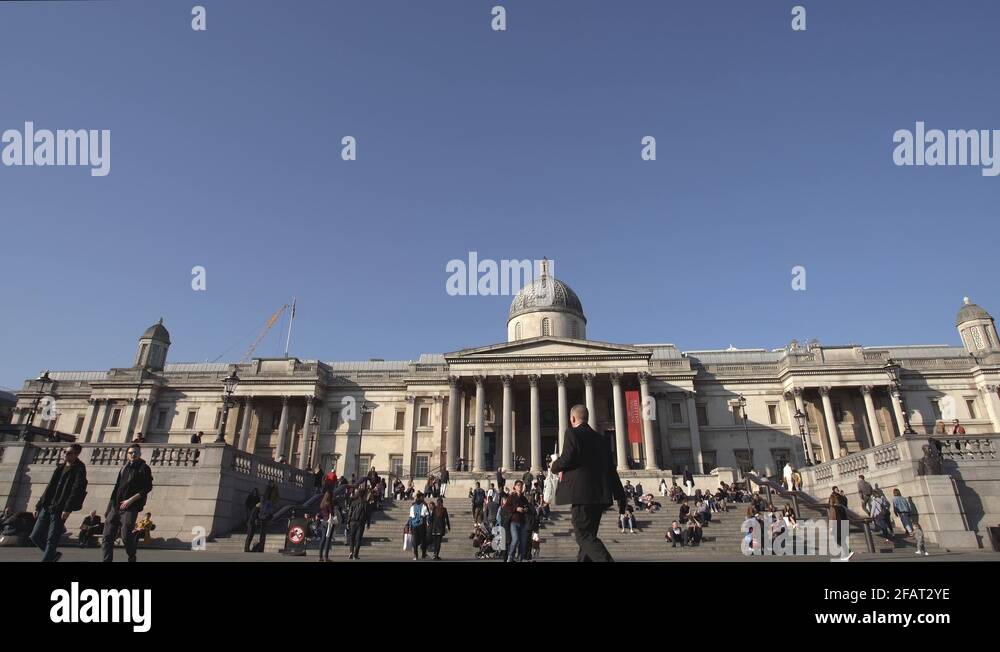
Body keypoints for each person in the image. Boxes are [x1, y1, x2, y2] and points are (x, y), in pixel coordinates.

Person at [549, 404, 627, 562]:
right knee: (588, 539)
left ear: (572, 418)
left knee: (583, 536)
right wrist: (620, 495)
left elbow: (567, 459)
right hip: (599, 497)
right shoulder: (602, 439)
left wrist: (554, 466)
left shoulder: (572, 433)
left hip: (581, 496)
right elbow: (611, 470)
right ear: (587, 418)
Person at [32, 443, 87, 562]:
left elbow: (76, 490)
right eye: (64, 452)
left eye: (69, 453)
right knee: (35, 536)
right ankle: (53, 555)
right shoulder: (60, 467)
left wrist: (68, 508)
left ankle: (47, 558)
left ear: (76, 454)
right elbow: (49, 487)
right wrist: (38, 505)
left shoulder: (79, 469)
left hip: (60, 508)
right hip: (47, 506)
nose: (65, 454)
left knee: (52, 538)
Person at [102, 444, 154, 563]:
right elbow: (116, 488)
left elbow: (147, 488)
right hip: (115, 506)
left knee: (126, 535)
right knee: (107, 537)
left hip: (131, 507)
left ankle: (131, 555)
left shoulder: (144, 468)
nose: (133, 455)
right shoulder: (124, 468)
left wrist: (130, 500)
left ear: (140, 454)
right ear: (127, 454)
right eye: (130, 453)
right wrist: (109, 507)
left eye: (135, 452)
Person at [502, 480, 530, 562]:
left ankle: (520, 558)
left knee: (522, 542)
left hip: (522, 522)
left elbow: (527, 507)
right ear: (515, 487)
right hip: (513, 522)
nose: (520, 487)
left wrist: (525, 509)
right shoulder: (511, 497)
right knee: (516, 539)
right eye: (518, 485)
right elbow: (505, 508)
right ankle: (510, 557)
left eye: (521, 485)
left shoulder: (524, 498)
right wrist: (516, 509)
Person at [346, 488, 370, 559]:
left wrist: (348, 522)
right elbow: (367, 514)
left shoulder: (353, 502)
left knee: (352, 537)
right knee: (358, 538)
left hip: (352, 521)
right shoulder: (365, 503)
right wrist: (368, 523)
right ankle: (355, 554)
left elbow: (350, 512)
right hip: (361, 522)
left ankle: (351, 552)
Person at [408, 493, 429, 560]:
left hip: (414, 525)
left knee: (415, 540)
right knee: (423, 540)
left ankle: (415, 555)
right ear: (420, 498)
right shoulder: (424, 505)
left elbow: (411, 517)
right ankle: (423, 554)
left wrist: (410, 526)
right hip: (421, 525)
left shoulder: (412, 506)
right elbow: (426, 515)